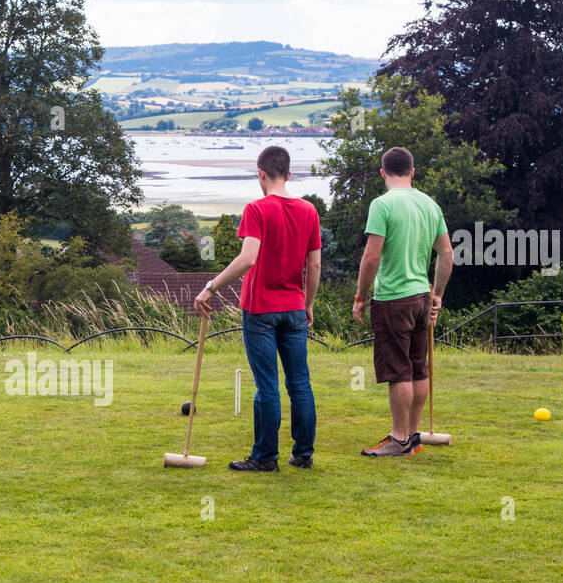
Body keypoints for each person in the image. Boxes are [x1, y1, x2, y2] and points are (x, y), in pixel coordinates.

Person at [193, 145, 321, 471]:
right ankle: (303, 454)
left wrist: (211, 287)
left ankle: (265, 458)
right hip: (294, 308)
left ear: (261, 174)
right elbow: (315, 266)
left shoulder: (257, 209)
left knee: (267, 385)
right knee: (300, 383)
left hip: (261, 309)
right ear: (289, 174)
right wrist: (308, 304)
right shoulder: (309, 211)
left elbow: (248, 258)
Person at [352, 147, 454, 457]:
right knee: (418, 368)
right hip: (422, 296)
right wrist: (437, 294)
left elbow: (371, 256)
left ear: (383, 173)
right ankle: (412, 435)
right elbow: (446, 253)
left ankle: (398, 439)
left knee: (398, 370)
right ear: (412, 172)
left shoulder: (382, 205)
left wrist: (360, 297)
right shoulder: (430, 204)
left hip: (393, 299)